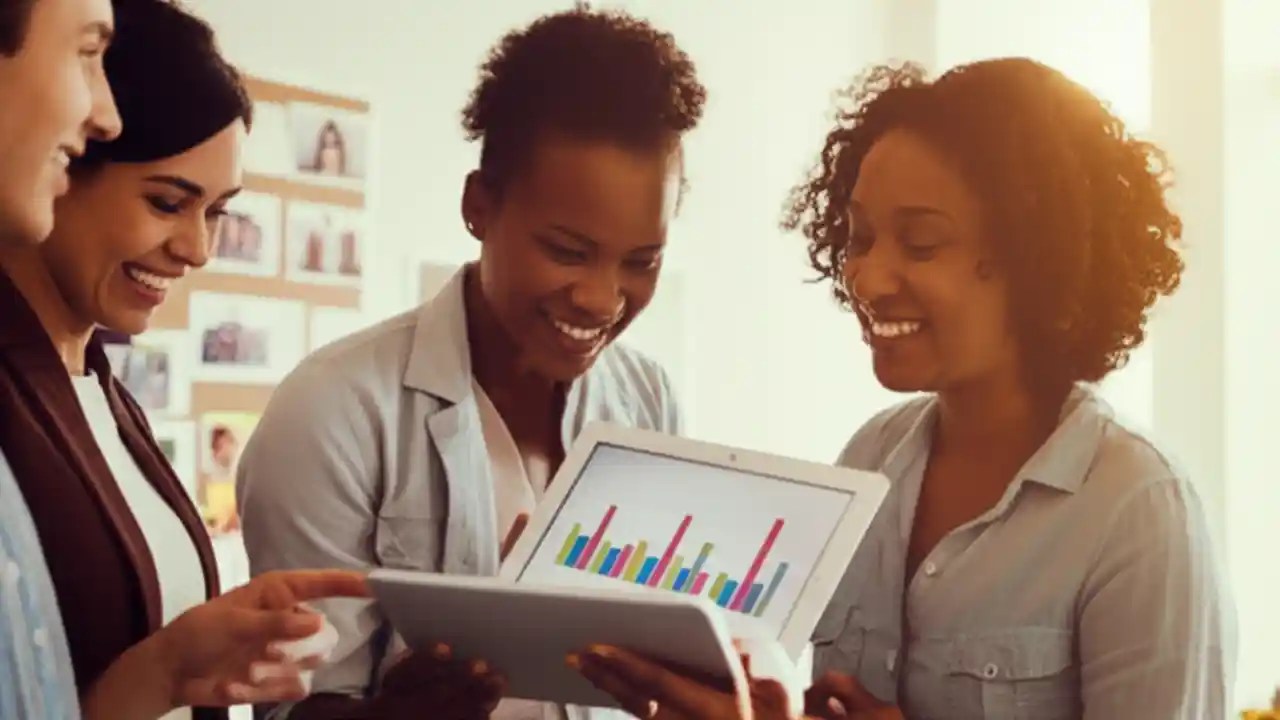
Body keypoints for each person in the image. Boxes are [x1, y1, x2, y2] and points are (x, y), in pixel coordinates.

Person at [577, 59, 1233, 720]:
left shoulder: (1137, 513)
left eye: (920, 244)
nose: (867, 278)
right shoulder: (871, 459)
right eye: (860, 237)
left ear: (1041, 264)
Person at [0, 2, 486, 719]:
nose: (198, 249)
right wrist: (164, 670)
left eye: (217, 212)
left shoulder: (98, 386)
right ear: (69, 167)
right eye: (168, 203)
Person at [235, 7, 707, 718]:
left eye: (641, 261)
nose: (603, 299)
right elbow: (296, 704)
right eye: (568, 251)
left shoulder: (649, 401)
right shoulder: (333, 411)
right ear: (478, 206)